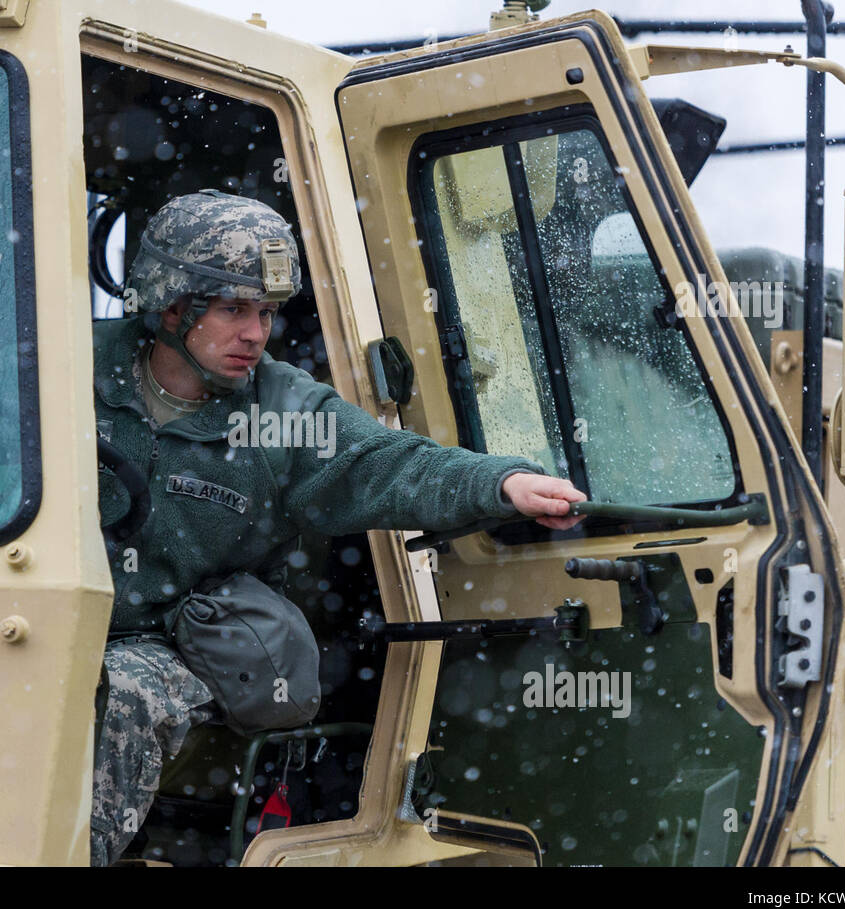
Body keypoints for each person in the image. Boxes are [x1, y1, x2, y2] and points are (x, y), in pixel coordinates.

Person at [90, 189, 585, 866]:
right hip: (54, 615)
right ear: (173, 306)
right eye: (235, 309)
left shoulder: (282, 409)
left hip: (178, 642)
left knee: (123, 694)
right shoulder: (68, 367)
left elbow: (389, 464)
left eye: (265, 313)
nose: (256, 334)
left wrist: (499, 483)